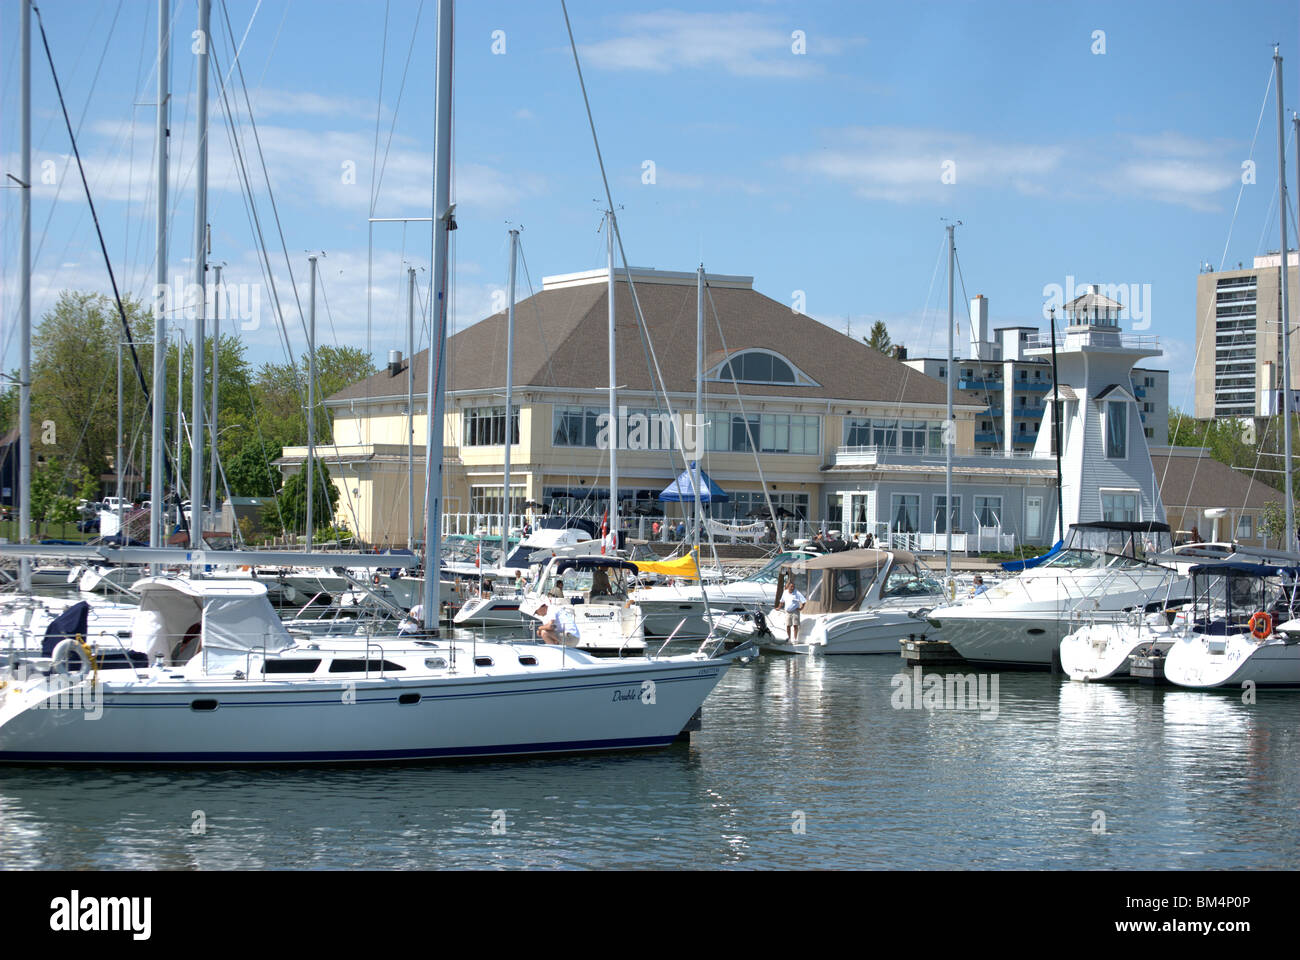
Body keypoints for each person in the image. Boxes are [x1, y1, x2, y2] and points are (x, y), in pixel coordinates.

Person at [778, 576, 806, 643]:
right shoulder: (785, 592)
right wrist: (778, 607)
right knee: (788, 625)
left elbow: (804, 601)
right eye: (791, 587)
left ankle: (795, 639)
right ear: (788, 587)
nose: (792, 588)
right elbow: (782, 601)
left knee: (795, 625)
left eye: (793, 587)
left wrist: (801, 608)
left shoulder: (797, 593)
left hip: (795, 611)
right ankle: (789, 639)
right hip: (788, 612)